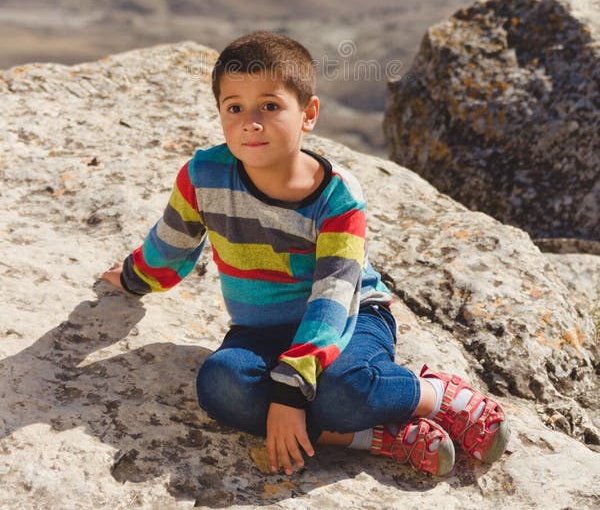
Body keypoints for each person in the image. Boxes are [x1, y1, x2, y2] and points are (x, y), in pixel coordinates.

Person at [101, 31, 509, 477]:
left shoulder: (337, 198)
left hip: (350, 320)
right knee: (220, 384)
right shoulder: (203, 176)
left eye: (270, 106)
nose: (250, 123)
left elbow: (333, 299)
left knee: (342, 390)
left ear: (308, 114)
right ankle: (370, 437)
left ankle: (432, 396)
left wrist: (291, 391)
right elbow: (171, 246)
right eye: (234, 107)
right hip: (262, 330)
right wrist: (132, 277)